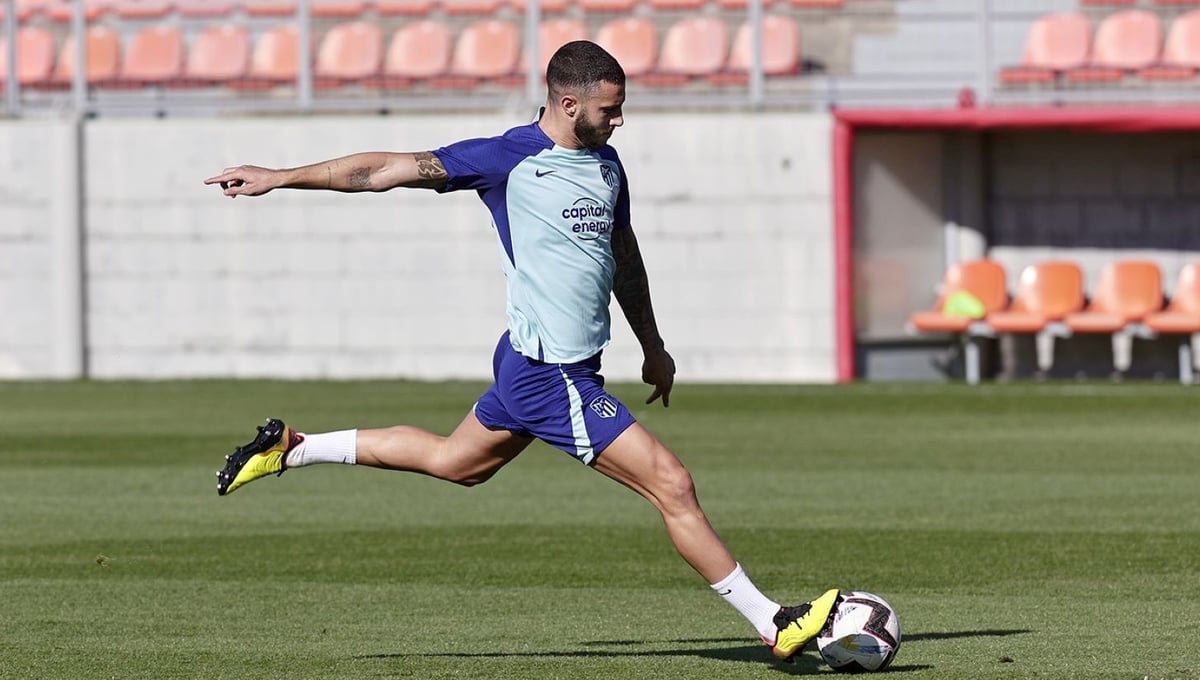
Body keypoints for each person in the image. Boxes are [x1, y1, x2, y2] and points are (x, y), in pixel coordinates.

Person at [203, 40, 838, 663]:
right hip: (547, 374)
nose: (619, 120)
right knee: (672, 484)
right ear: (568, 104)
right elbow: (381, 171)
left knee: (457, 463)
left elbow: (624, 257)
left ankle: (294, 447)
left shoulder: (608, 165)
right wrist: (281, 177)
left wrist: (654, 345)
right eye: (610, 110)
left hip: (542, 364)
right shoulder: (507, 159)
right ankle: (773, 622)